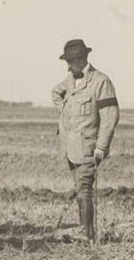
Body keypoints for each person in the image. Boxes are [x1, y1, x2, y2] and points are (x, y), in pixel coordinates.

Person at [51, 39, 119, 243]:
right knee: (79, 188)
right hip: (70, 146)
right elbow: (56, 93)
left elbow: (110, 117)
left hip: (89, 146)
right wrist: (64, 110)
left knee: (84, 187)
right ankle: (84, 231)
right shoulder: (70, 79)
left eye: (70, 61)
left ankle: (88, 233)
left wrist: (101, 146)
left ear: (81, 59)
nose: (68, 65)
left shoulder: (101, 81)